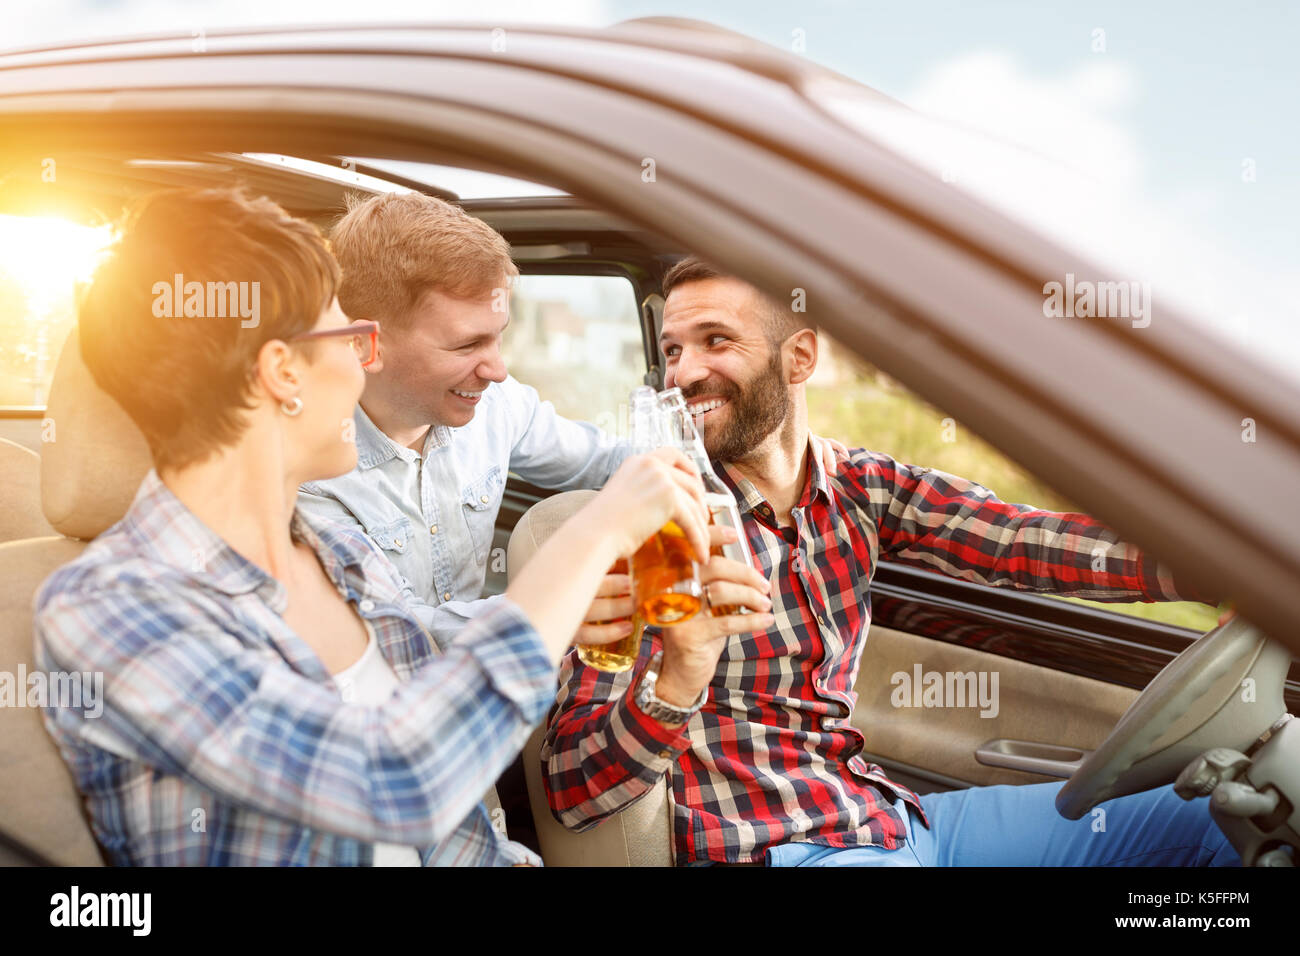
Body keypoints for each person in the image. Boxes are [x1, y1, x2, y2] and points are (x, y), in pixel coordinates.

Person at [31, 190, 772, 866]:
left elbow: (448, 777)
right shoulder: (113, 608)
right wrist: (588, 542)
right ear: (284, 372)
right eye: (344, 335)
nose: (361, 365)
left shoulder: (334, 556)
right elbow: (396, 780)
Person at [542, 256, 1241, 867]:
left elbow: (1015, 540)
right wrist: (678, 678)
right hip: (783, 849)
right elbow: (573, 789)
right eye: (672, 350)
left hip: (891, 821)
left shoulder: (861, 486)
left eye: (715, 341)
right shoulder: (651, 529)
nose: (684, 373)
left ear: (800, 359)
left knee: (1224, 819)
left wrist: (1199, 573)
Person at [295, 191, 842, 648]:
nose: (497, 368)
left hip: (498, 682)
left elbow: (607, 461)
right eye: (468, 344)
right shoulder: (307, 470)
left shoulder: (498, 404)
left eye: (499, 336)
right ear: (367, 345)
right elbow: (396, 632)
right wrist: (552, 609)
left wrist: (751, 451)